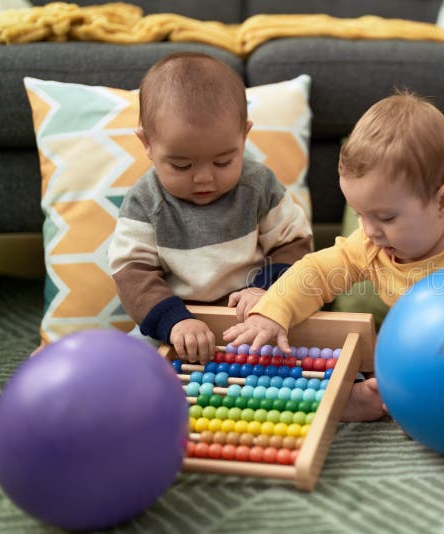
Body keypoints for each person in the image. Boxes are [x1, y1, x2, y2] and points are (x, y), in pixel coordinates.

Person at [223, 91, 444, 462]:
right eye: (360, 214)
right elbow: (318, 270)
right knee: (388, 360)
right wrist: (273, 309)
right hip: (430, 357)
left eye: (386, 217)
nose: (370, 231)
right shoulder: (371, 244)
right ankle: (383, 401)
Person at [108, 52, 313, 364]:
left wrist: (268, 292)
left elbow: (295, 245)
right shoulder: (145, 202)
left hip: (257, 313)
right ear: (147, 143)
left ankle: (351, 391)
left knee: (308, 342)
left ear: (244, 136)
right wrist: (174, 321)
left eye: (223, 162)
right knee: (126, 361)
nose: (204, 178)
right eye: (181, 165)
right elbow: (133, 274)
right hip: (181, 321)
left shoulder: (259, 186)